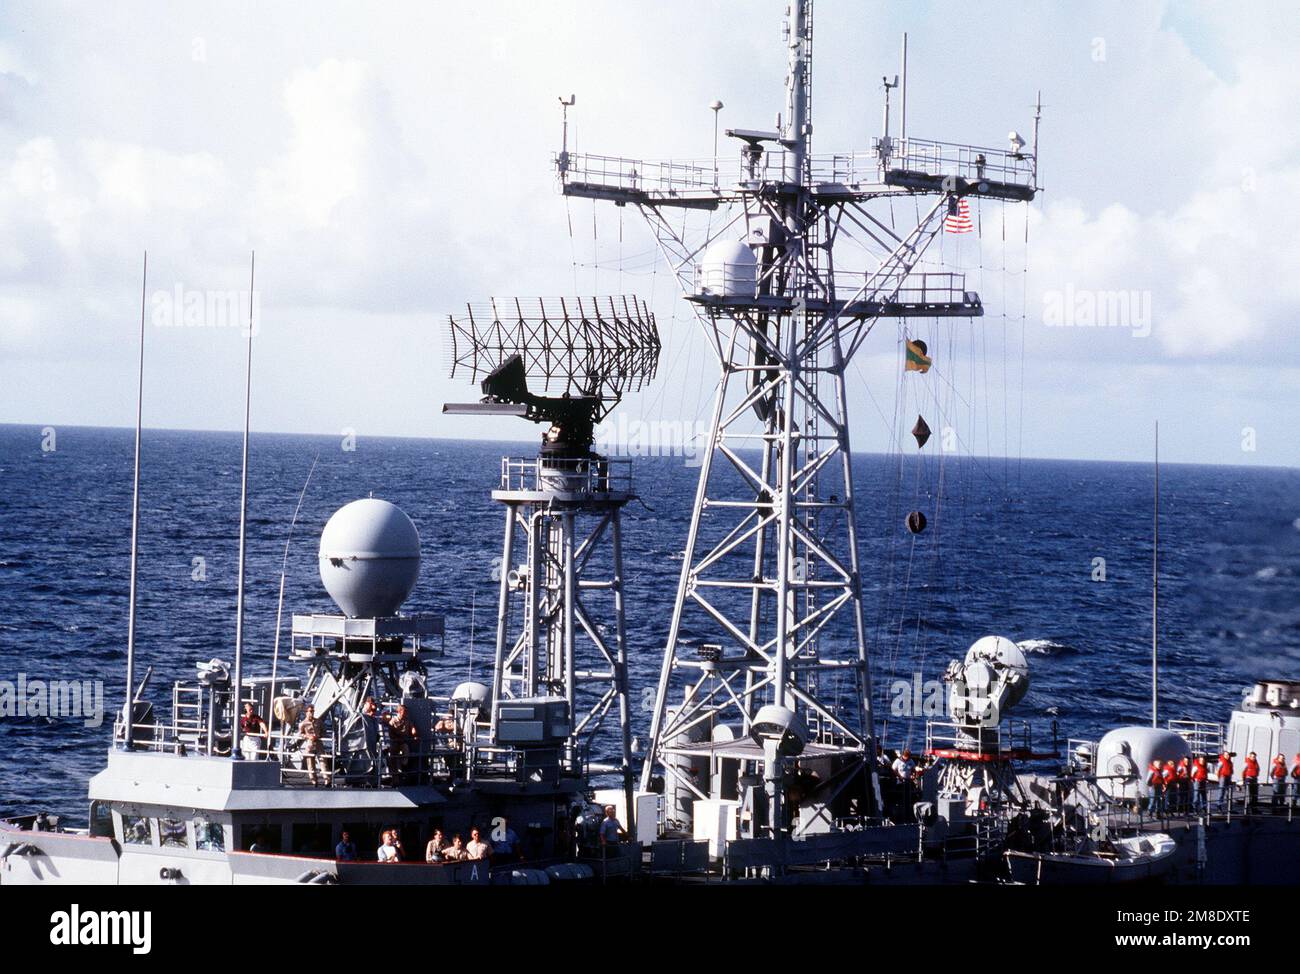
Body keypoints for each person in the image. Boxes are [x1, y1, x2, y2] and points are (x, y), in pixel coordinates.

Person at [297, 705, 328, 786]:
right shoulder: (303, 724)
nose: (311, 713)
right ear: (306, 712)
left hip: (318, 744)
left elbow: (324, 731)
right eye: (310, 711)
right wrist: (308, 736)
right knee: (310, 764)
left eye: (312, 711)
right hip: (309, 745)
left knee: (323, 761)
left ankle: (327, 780)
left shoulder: (319, 721)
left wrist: (318, 736)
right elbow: (301, 734)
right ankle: (314, 781)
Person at [387, 704, 419, 779]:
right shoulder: (393, 721)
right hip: (395, 742)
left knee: (406, 752)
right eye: (405, 711)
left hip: (403, 743)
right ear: (400, 711)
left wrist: (415, 735)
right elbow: (390, 733)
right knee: (393, 755)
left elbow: (412, 728)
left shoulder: (407, 720)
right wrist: (396, 738)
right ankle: (394, 773)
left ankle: (402, 769)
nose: (406, 713)